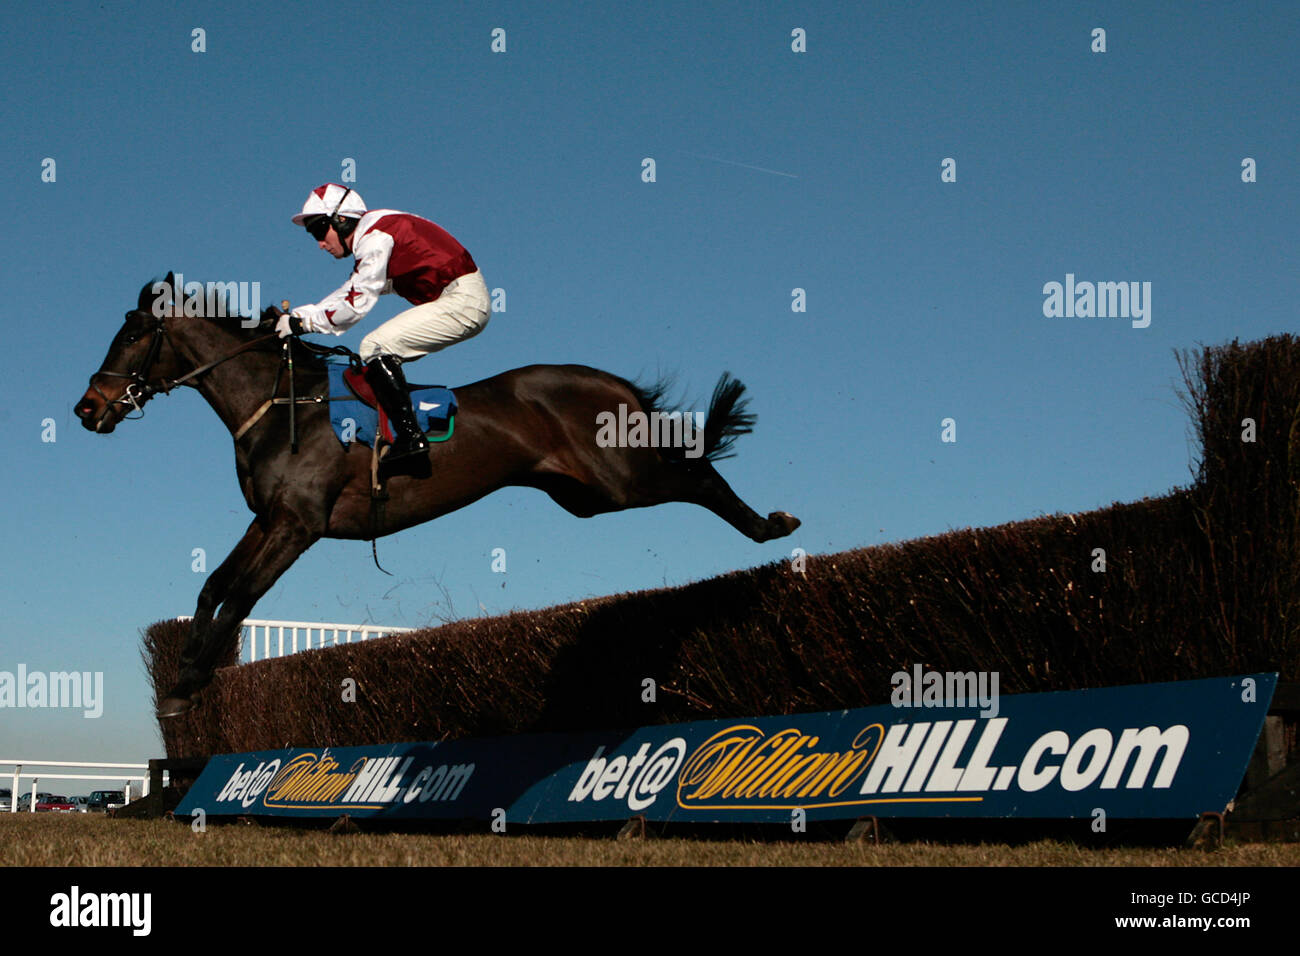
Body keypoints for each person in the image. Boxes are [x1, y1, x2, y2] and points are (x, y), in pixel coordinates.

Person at [278, 183, 489, 461]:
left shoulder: (375, 238)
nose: (319, 244)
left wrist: (303, 325)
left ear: (341, 221)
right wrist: (303, 315)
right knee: (378, 347)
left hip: (462, 301)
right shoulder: (376, 230)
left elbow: (355, 305)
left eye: (319, 230)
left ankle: (410, 439)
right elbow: (350, 290)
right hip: (455, 297)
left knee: (375, 346)